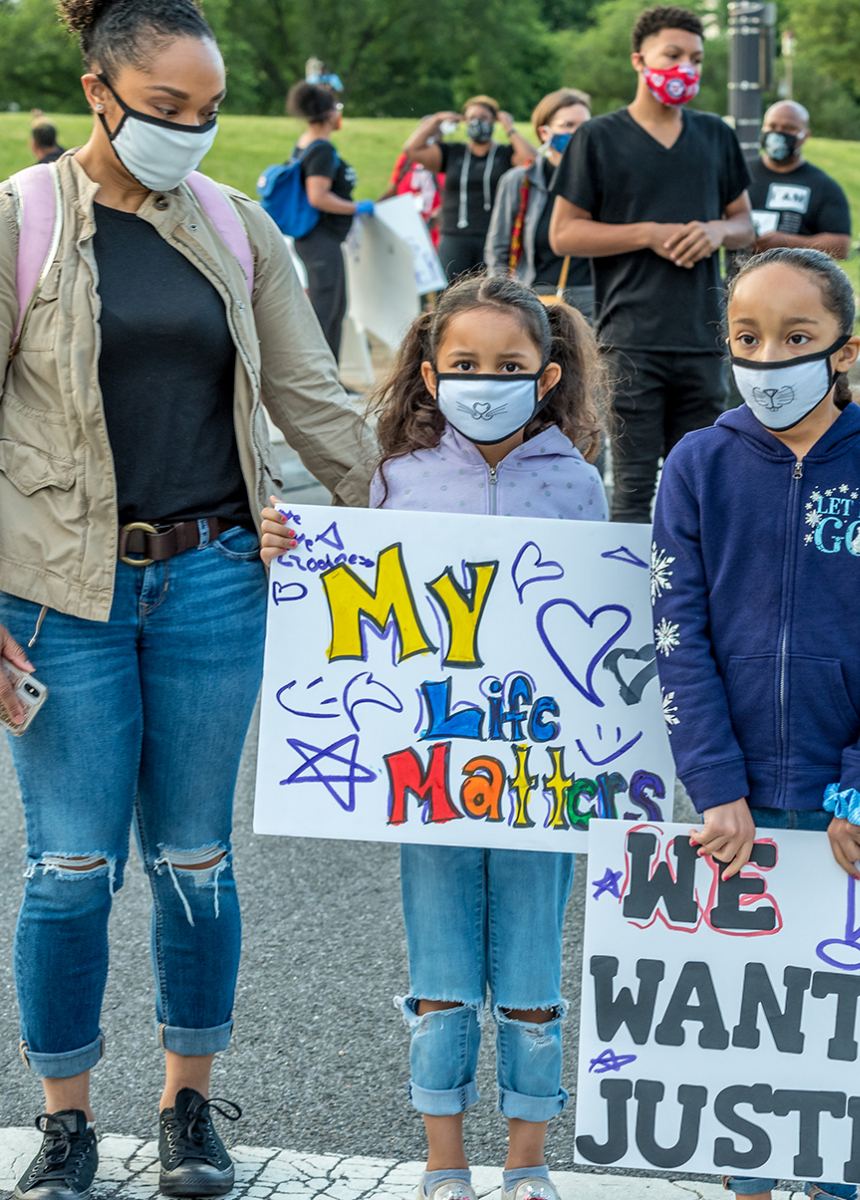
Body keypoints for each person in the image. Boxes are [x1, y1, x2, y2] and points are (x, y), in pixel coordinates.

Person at [0, 2, 373, 1196]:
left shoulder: (232, 225)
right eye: (168, 109)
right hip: (59, 595)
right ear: (99, 89)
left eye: (209, 112)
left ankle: (187, 1107)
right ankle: (65, 1117)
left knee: (195, 859)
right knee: (69, 867)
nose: (191, 132)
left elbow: (314, 397)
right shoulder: (2, 226)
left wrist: (436, 511)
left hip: (216, 581)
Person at [651, 248, 860, 1200]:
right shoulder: (696, 464)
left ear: (845, 351)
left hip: (840, 804)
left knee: (830, 1035)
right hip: (732, 805)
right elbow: (676, 630)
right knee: (746, 1033)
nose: (769, 358)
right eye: (747, 338)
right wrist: (716, 786)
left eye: (796, 338)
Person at [362, 275, 609, 1200]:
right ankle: (443, 1162)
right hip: (429, 766)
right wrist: (293, 556)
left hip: (540, 772)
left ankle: (528, 1160)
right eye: (465, 363)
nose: (485, 379)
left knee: (533, 961)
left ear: (546, 377)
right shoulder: (397, 479)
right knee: (438, 961)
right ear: (430, 374)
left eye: (509, 365)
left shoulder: (578, 483)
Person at [548, 4, 753, 522]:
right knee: (634, 490)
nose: (686, 67)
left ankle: (694, 601)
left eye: (696, 58)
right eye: (673, 55)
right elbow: (564, 232)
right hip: (631, 341)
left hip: (703, 339)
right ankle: (627, 601)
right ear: (640, 61)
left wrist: (716, 231)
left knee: (702, 492)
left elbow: (745, 224)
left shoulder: (715, 135)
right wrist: (647, 233)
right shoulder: (598, 137)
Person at [484, 88, 594, 317]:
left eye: (584, 126)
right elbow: (498, 249)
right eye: (567, 125)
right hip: (531, 301)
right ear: (544, 132)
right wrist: (501, 302)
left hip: (591, 301)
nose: (578, 133)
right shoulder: (519, 181)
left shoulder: (602, 180)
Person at [402, 97, 536, 281]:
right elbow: (411, 149)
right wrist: (436, 120)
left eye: (484, 117)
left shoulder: (504, 154)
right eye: (471, 117)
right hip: (454, 235)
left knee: (490, 295)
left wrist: (509, 128)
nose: (477, 121)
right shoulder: (452, 152)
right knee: (451, 294)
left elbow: (532, 161)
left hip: (493, 237)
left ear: (494, 120)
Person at [287, 79, 374, 362]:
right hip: (319, 238)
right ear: (329, 114)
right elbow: (318, 196)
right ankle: (320, 382)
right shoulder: (321, 149)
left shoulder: (304, 143)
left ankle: (327, 378)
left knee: (332, 308)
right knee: (328, 311)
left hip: (315, 239)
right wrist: (355, 207)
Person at [742, 99, 851, 260]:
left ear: (805, 136)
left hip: (796, 281)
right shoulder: (741, 174)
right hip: (739, 280)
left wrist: (787, 243)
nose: (778, 133)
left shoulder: (824, 186)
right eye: (772, 127)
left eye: (788, 128)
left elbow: (841, 247)